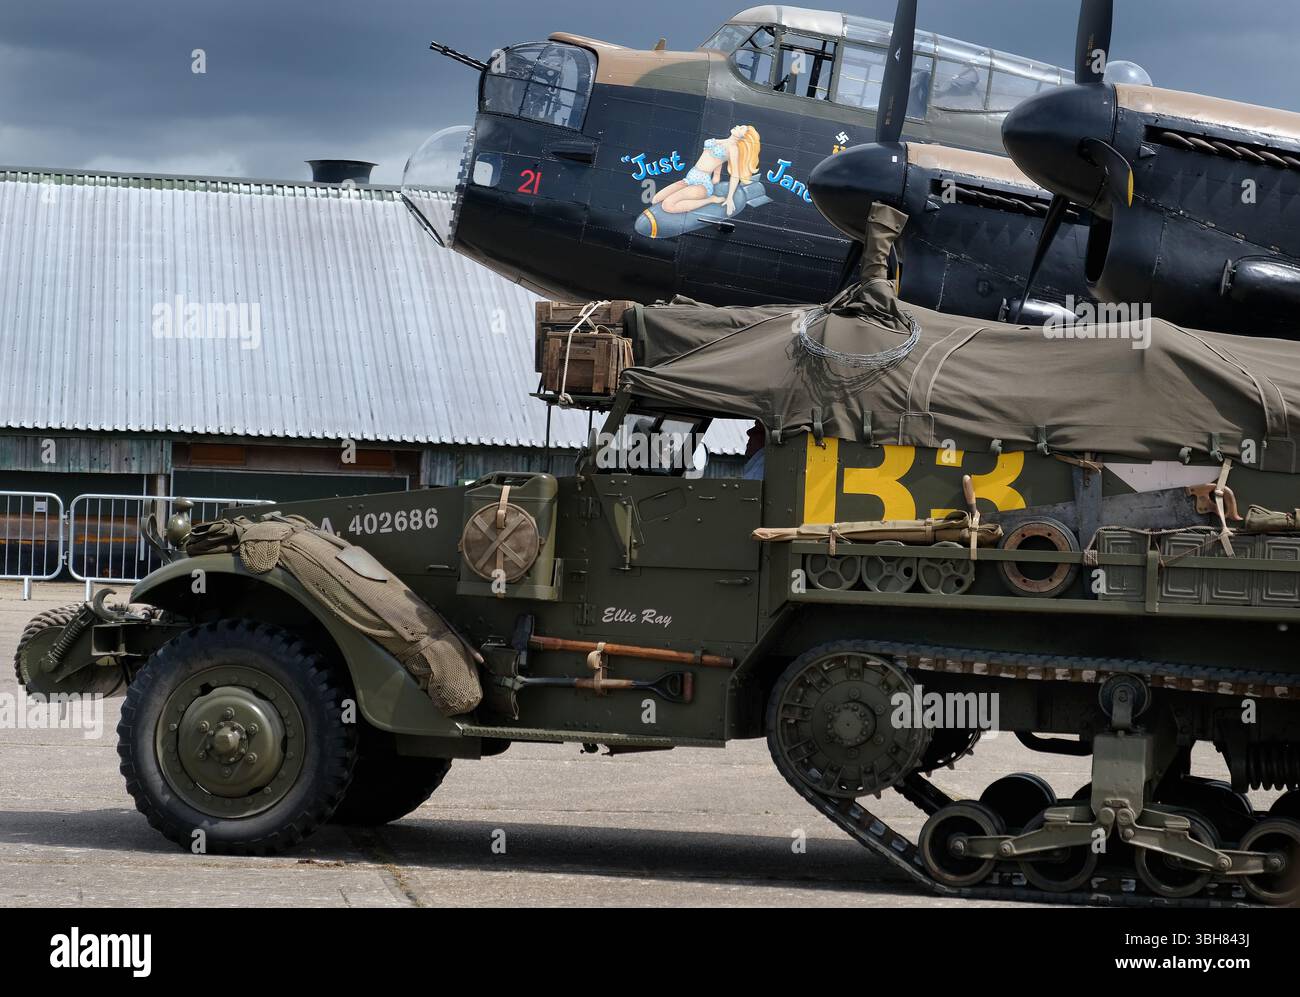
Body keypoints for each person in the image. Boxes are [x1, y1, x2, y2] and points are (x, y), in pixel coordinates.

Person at [652, 124, 761, 216]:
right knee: (656, 199)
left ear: (744, 137)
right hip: (690, 178)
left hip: (702, 183)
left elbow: (735, 175)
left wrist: (730, 197)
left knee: (668, 205)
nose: (737, 126)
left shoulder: (733, 149)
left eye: (741, 128)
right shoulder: (720, 141)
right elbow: (717, 162)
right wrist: (717, 176)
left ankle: (711, 200)